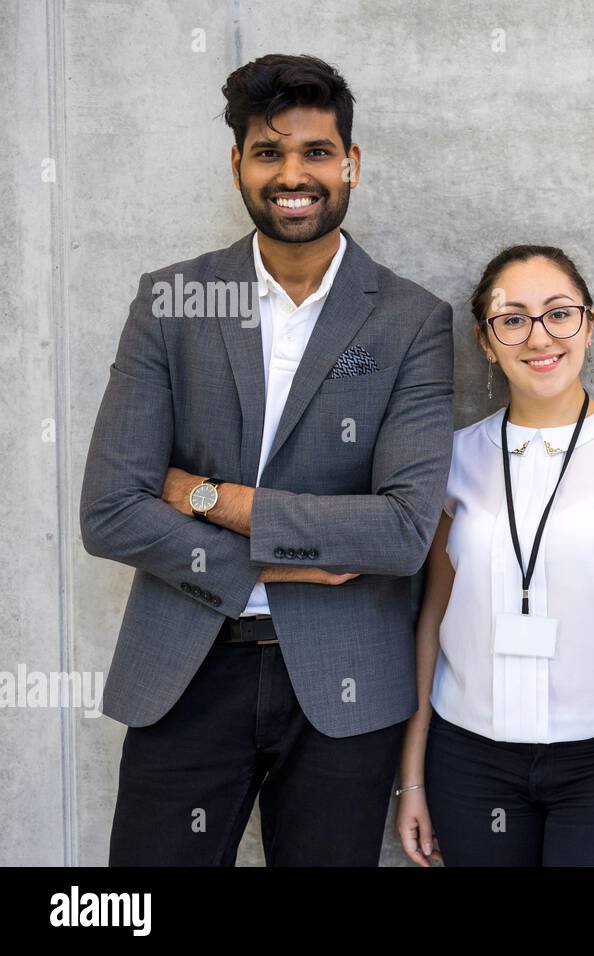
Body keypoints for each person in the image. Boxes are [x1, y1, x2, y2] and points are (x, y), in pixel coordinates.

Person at [79, 53, 454, 865]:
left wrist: (206, 496)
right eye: (268, 152)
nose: (293, 175)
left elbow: (401, 533)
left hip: (344, 685)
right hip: (184, 669)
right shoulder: (171, 302)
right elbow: (110, 511)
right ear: (238, 166)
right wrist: (286, 565)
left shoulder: (412, 321)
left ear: (351, 163)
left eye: (316, 151)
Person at [395, 245, 594, 866]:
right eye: (513, 319)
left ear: (589, 325)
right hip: (470, 759)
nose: (539, 337)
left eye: (559, 314)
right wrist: (412, 779)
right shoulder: (453, 461)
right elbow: (432, 620)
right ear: (486, 341)